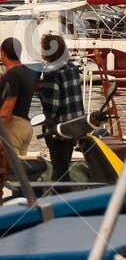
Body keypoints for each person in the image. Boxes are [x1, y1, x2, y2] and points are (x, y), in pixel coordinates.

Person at [32, 34, 84, 186]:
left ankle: (61, 195)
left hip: (58, 129)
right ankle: (67, 191)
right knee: (65, 166)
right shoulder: (72, 68)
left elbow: (51, 107)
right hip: (75, 125)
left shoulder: (51, 73)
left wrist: (40, 91)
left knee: (59, 170)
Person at [0, 37, 37, 182]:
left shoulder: (12, 75)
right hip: (26, 126)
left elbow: (7, 109)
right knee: (21, 174)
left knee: (9, 171)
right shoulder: (27, 72)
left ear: (3, 53)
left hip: (13, 127)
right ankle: (25, 194)